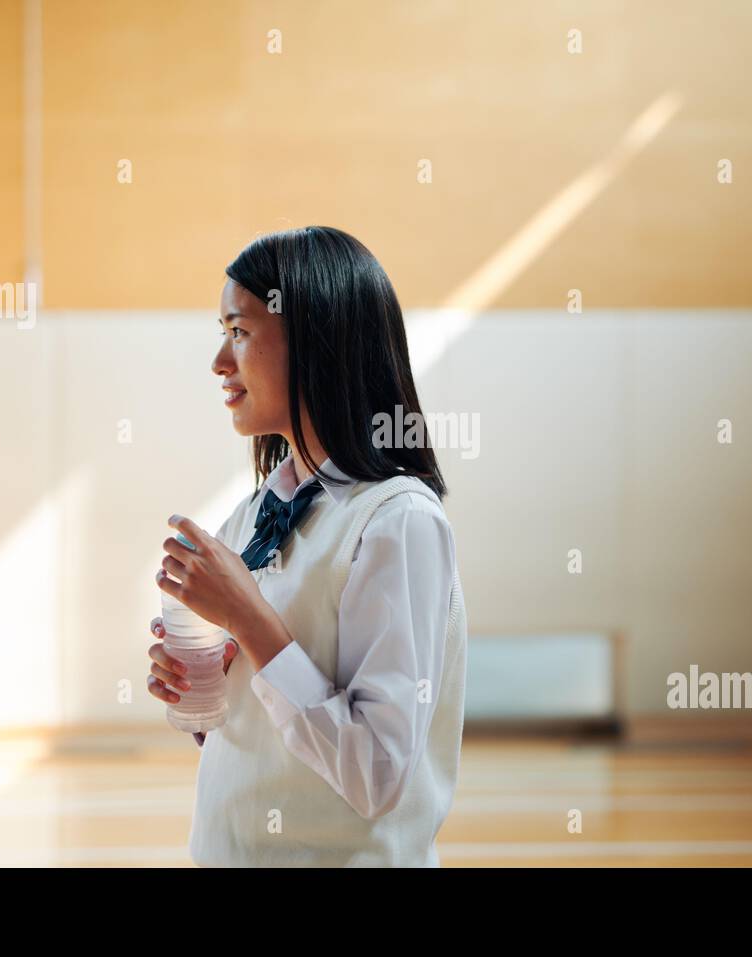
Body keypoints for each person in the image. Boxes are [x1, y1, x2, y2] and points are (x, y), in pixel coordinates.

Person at [146, 226, 467, 867]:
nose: (219, 361)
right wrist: (206, 694)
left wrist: (251, 622)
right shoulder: (255, 513)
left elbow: (376, 774)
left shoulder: (397, 521)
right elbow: (277, 733)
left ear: (317, 342)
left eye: (239, 332)